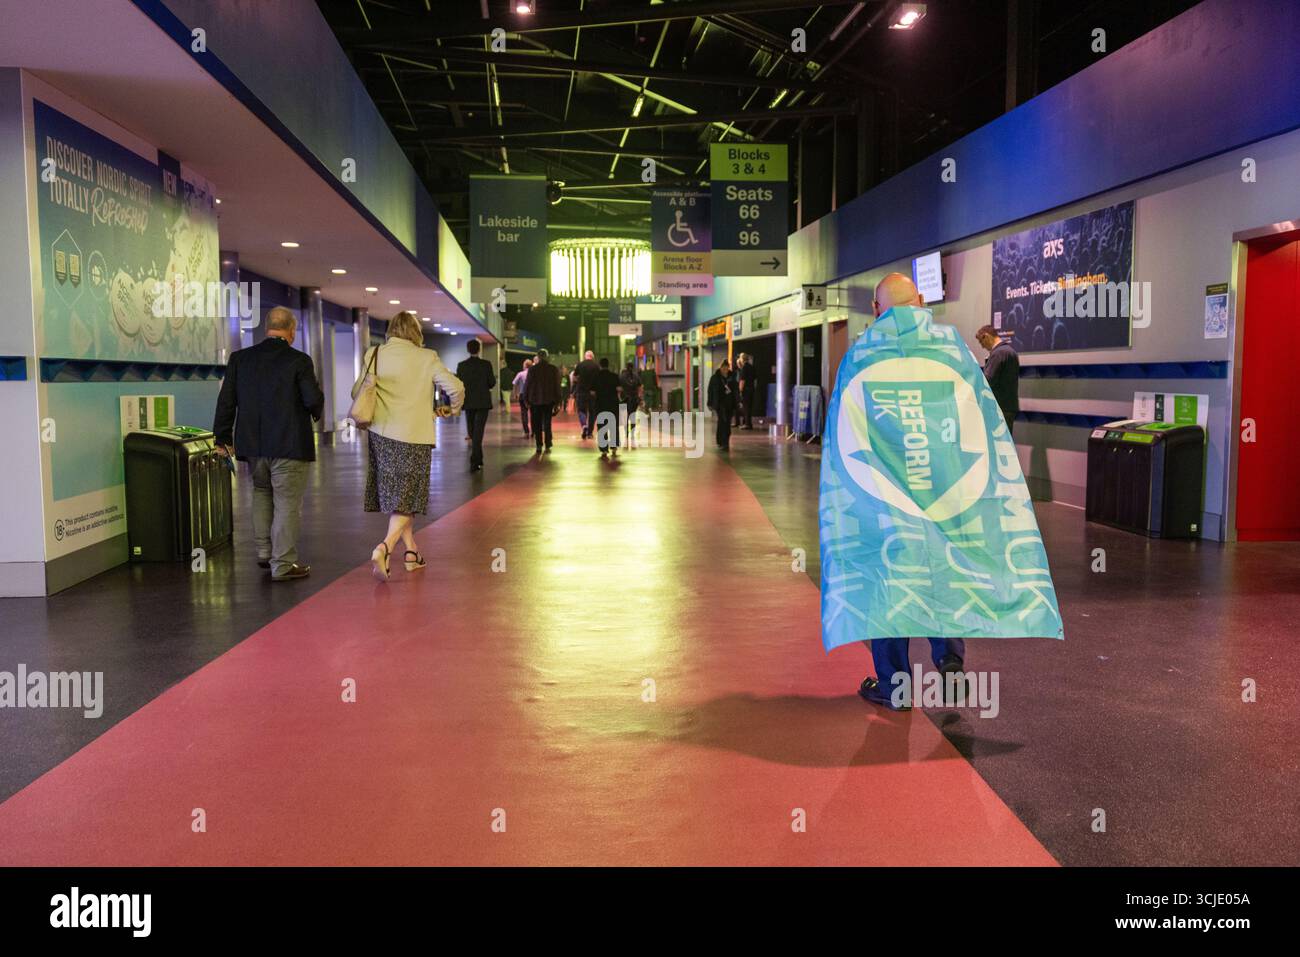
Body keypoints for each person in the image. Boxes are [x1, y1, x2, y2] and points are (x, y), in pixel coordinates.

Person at [213, 306, 323, 581]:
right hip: (289, 444)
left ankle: (265, 551)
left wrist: (222, 439)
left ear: (267, 328)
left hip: (253, 445)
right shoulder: (299, 361)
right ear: (292, 331)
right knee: (287, 502)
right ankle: (283, 563)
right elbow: (312, 399)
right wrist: (316, 411)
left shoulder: (241, 359)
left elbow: (226, 401)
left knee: (261, 493)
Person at [355, 310, 464, 582]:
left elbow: (356, 391)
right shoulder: (426, 357)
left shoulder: (375, 353)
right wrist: (453, 408)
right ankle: (386, 547)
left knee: (400, 496)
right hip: (414, 436)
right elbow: (456, 388)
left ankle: (412, 553)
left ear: (391, 329)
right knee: (408, 496)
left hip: (381, 435)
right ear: (416, 333)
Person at [456, 338, 496, 472]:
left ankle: (477, 459)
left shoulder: (462, 365)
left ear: (468, 350)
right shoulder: (486, 364)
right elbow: (492, 383)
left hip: (469, 403)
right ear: (479, 349)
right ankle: (476, 459)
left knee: (472, 431)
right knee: (478, 431)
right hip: (483, 402)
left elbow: (459, 383)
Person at [976, 324, 1020, 434]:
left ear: (986, 336)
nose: (982, 346)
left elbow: (987, 380)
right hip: (1009, 406)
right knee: (1006, 442)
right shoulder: (1011, 352)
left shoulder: (998, 353)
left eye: (981, 342)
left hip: (998, 407)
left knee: (998, 443)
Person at [523, 347, 561, 453]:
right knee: (547, 423)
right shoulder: (553, 369)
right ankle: (548, 443)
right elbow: (557, 386)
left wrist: (525, 399)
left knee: (537, 423)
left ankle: (539, 444)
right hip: (549, 401)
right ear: (547, 356)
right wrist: (558, 401)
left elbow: (527, 385)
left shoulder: (532, 369)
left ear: (538, 357)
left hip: (535, 401)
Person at [590, 357, 623, 457]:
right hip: (613, 403)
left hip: (600, 404)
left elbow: (592, 392)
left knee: (602, 426)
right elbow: (619, 389)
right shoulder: (614, 376)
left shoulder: (596, 376)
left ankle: (604, 449)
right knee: (613, 424)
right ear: (608, 365)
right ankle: (614, 447)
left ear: (600, 365)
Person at [707, 358, 737, 450]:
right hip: (719, 403)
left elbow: (735, 391)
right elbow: (710, 391)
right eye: (723, 368)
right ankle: (723, 442)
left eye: (726, 368)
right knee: (723, 421)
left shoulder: (732, 377)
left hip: (730, 404)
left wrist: (737, 402)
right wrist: (710, 403)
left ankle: (723, 441)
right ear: (720, 368)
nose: (725, 370)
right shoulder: (715, 378)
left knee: (726, 422)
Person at [573, 350, 600, 439]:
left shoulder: (580, 365)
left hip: (581, 392)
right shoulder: (596, 366)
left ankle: (584, 425)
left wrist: (580, 382)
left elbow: (574, 377)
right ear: (592, 357)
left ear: (585, 356)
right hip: (593, 392)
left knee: (581, 410)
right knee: (593, 412)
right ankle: (590, 432)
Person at [619, 360, 641, 445]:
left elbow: (619, 388)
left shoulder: (622, 376)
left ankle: (626, 434)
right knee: (632, 416)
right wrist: (639, 397)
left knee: (625, 417)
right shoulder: (636, 376)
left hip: (624, 398)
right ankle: (632, 433)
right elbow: (640, 387)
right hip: (634, 399)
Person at [512, 359, 532, 437]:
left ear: (525, 365)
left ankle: (526, 432)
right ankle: (534, 431)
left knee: (524, 413)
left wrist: (515, 393)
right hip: (532, 396)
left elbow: (514, 383)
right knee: (534, 414)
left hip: (522, 395)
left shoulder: (520, 374)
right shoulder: (533, 374)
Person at [738, 352, 758, 429]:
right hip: (751, 389)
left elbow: (742, 381)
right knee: (749, 407)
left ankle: (747, 424)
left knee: (745, 407)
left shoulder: (744, 368)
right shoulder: (751, 367)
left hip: (746, 390)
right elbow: (755, 380)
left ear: (742, 359)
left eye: (740, 357)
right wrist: (753, 388)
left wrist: (740, 391)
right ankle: (748, 423)